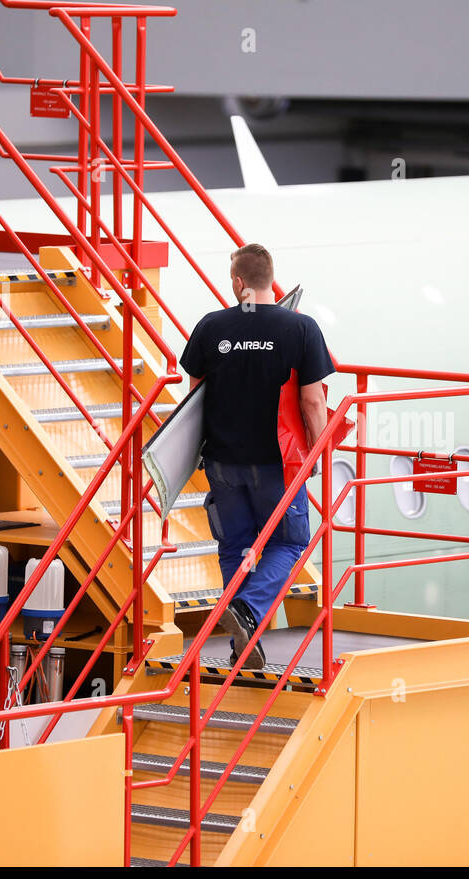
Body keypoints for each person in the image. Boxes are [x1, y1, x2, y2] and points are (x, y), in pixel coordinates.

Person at [180, 243, 334, 669]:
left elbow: (194, 396)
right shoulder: (300, 329)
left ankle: (243, 643)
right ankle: (248, 611)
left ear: (238, 282)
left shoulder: (211, 327)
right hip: (277, 463)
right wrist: (319, 449)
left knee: (234, 546)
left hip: (223, 461)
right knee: (290, 541)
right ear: (271, 279)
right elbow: (312, 402)